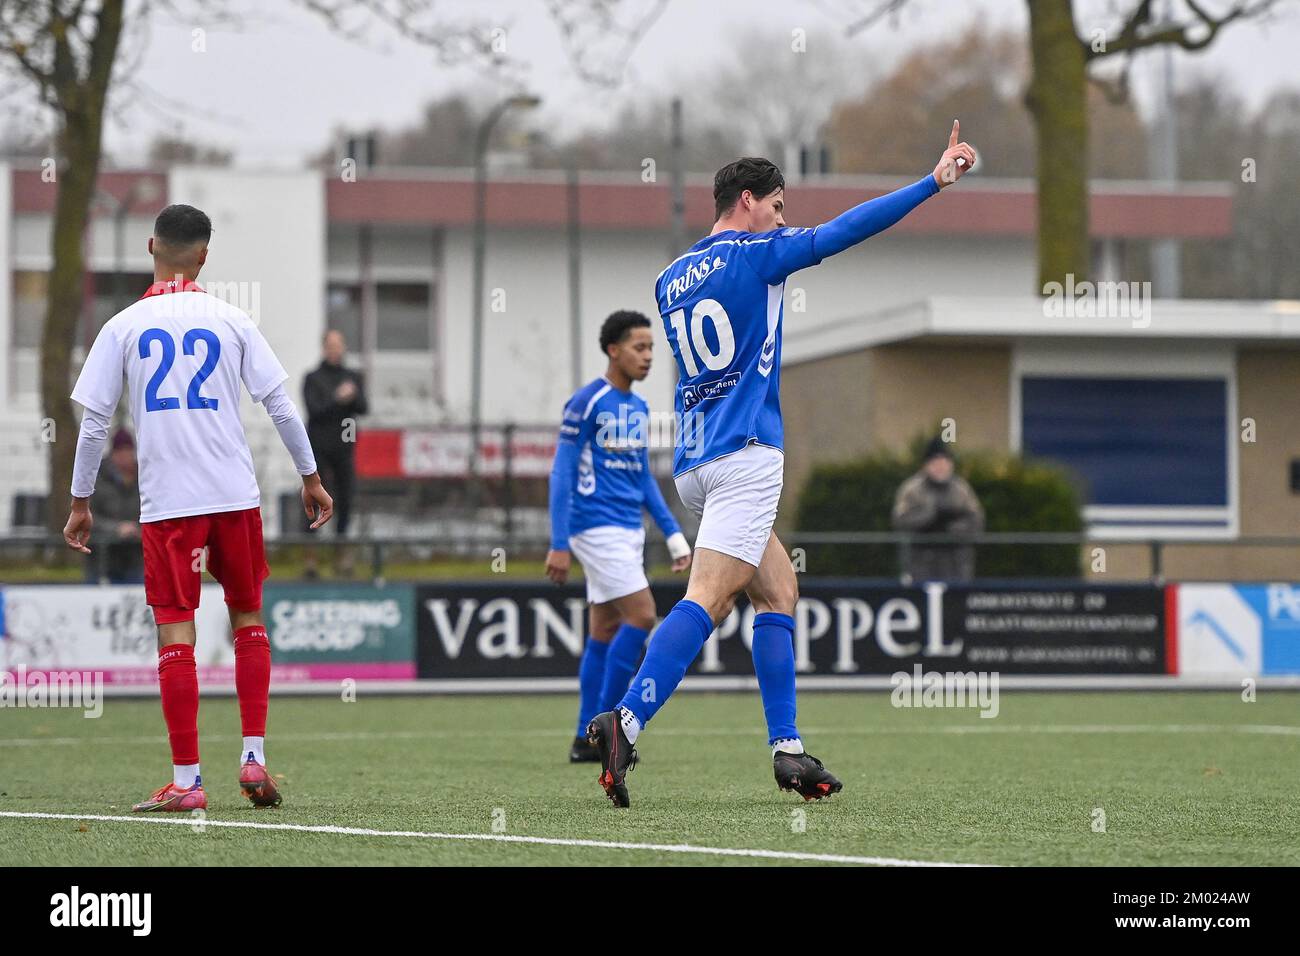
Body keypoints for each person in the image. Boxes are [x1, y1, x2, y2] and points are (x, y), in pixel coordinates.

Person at [585, 121, 977, 807]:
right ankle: (627, 718)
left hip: (695, 463)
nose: (783, 219)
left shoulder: (669, 277)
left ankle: (788, 752)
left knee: (778, 592)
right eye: (777, 206)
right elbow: (845, 230)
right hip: (746, 457)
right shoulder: (759, 254)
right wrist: (932, 182)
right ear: (746, 199)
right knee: (707, 598)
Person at [63, 203, 333, 813]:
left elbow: (95, 424)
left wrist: (80, 502)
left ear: (150, 246)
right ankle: (253, 755)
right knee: (248, 619)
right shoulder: (233, 319)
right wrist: (311, 477)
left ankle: (187, 780)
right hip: (235, 496)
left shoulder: (123, 326)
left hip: (170, 507)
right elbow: (282, 407)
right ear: (205, 254)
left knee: (176, 634)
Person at [547, 310, 693, 763]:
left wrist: (672, 534)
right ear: (614, 350)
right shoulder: (587, 402)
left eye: (651, 348)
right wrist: (558, 541)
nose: (648, 356)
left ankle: (583, 737)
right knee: (643, 614)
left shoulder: (638, 407)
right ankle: (609, 726)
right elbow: (562, 472)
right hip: (596, 527)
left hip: (628, 530)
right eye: (639, 347)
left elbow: (644, 478)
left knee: (606, 628)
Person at [302, 329, 367, 577]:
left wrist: (352, 396)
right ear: (323, 347)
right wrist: (337, 398)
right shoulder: (313, 378)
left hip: (344, 447)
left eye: (338, 345)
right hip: (317, 449)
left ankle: (342, 557)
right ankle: (310, 558)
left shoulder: (352, 377)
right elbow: (314, 410)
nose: (334, 349)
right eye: (330, 345)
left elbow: (363, 406)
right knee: (315, 499)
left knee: (345, 499)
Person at [891, 437, 984, 582]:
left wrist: (952, 527)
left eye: (945, 462)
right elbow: (900, 521)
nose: (940, 467)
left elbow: (976, 521)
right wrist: (930, 518)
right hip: (920, 567)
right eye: (935, 462)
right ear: (925, 465)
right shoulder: (911, 490)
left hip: (956, 567)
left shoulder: (961, 489)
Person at [86, 428, 144, 584]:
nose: (125, 457)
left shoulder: (144, 479)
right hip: (102, 562)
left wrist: (139, 530)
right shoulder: (97, 479)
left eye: (128, 451)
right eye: (120, 451)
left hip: (136, 561)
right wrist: (117, 529)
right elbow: (88, 517)